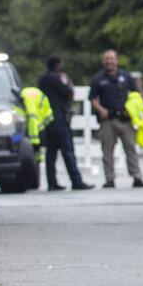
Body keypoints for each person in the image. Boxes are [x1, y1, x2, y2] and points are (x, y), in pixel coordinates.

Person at [88, 49, 143, 188]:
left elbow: (136, 95)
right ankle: (110, 178)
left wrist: (133, 111)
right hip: (108, 118)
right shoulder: (98, 79)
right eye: (106, 59)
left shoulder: (126, 76)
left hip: (125, 118)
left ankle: (137, 177)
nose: (109, 61)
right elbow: (93, 98)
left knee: (130, 148)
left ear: (116, 60)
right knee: (107, 150)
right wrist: (101, 110)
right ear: (104, 61)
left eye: (111, 59)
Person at [38, 56, 91, 191]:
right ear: (57, 65)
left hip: (47, 119)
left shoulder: (42, 79)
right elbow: (68, 92)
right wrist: (67, 81)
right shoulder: (58, 78)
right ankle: (76, 181)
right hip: (60, 118)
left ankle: (52, 182)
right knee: (68, 151)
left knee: (51, 152)